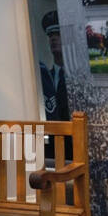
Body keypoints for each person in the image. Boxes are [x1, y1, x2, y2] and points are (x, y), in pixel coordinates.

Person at [39, 10, 72, 160]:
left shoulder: (75, 77)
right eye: (50, 35)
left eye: (58, 34)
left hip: (75, 148)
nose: (53, 39)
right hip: (53, 150)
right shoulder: (46, 76)